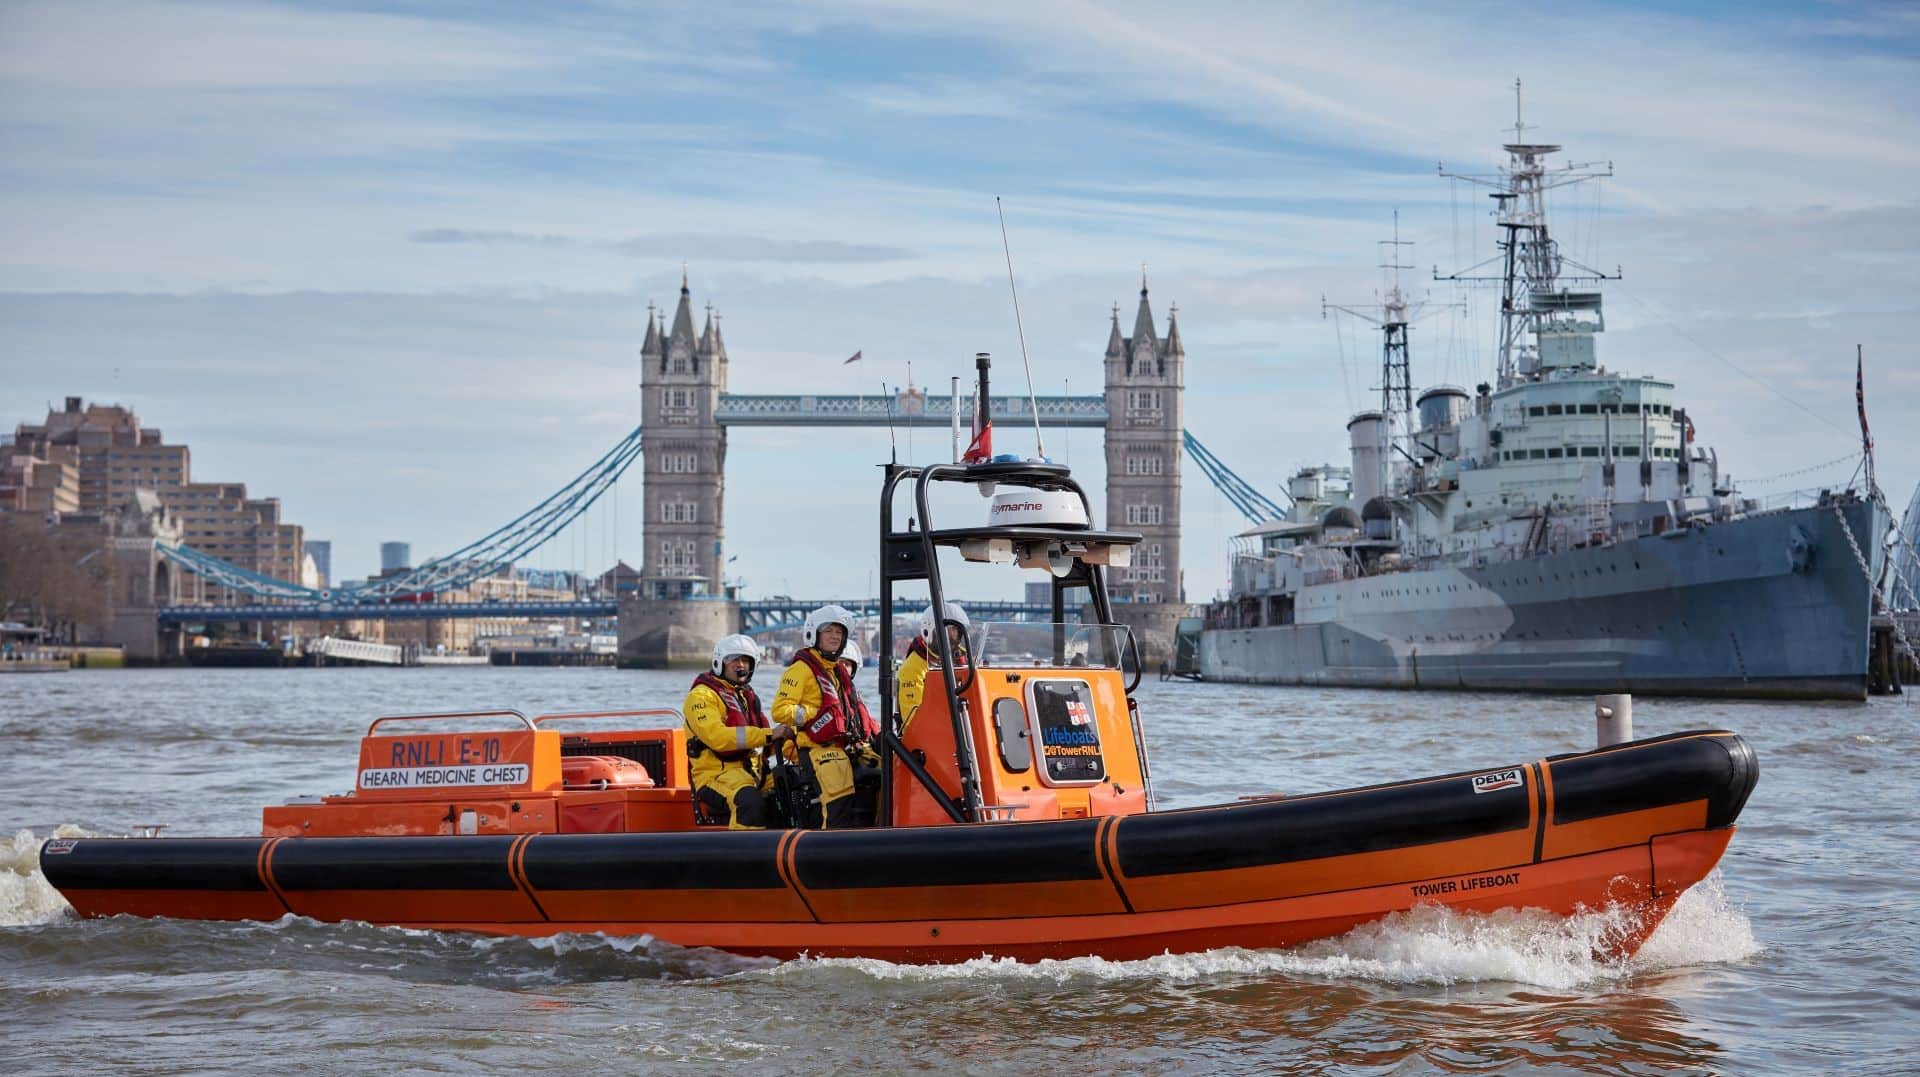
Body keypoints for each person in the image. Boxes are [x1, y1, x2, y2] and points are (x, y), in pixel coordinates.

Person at [772, 604, 881, 828]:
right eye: (829, 631)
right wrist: (815, 716)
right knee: (837, 806)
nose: (834, 637)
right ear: (815, 634)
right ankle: (825, 852)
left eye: (839, 633)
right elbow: (780, 710)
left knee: (881, 772)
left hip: (843, 747)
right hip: (818, 749)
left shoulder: (836, 671)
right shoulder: (801, 669)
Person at [683, 634, 791, 829]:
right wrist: (768, 734)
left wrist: (794, 737)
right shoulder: (701, 697)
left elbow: (767, 742)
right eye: (734, 660)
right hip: (715, 776)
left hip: (753, 773)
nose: (740, 665)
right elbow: (718, 738)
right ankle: (744, 855)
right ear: (720, 662)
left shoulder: (747, 697)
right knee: (749, 802)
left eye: (745, 661)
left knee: (794, 788)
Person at [897, 601, 969, 732]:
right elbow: (913, 720)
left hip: (959, 729)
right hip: (929, 739)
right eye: (950, 630)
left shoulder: (962, 657)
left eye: (956, 630)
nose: (954, 635)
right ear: (930, 630)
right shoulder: (913, 668)